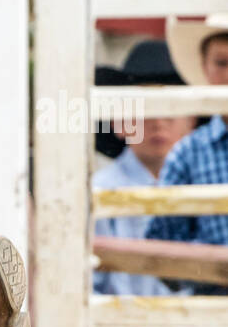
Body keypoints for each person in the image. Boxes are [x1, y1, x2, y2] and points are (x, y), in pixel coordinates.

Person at [92, 40, 196, 296]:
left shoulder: (211, 184)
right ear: (119, 122)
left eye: (171, 106)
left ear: (193, 117)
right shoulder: (98, 191)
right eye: (145, 108)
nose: (159, 121)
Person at [146, 16, 228, 293]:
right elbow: (160, 250)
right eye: (221, 63)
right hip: (212, 302)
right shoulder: (188, 154)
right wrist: (209, 265)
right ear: (205, 69)